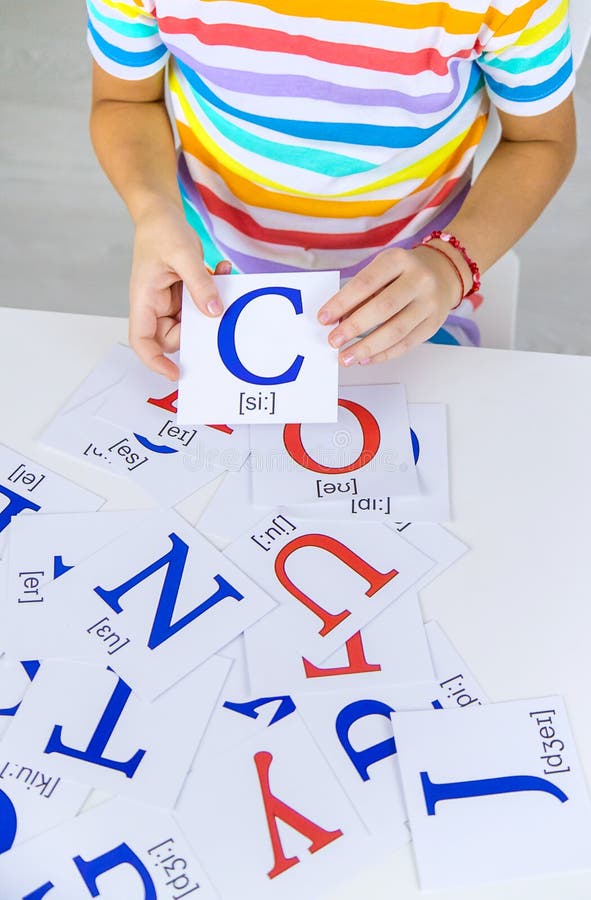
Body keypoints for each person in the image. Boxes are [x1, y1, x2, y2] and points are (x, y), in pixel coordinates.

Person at [87, 0, 576, 379]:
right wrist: (153, 209)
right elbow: (123, 99)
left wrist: (452, 263)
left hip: (419, 273)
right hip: (211, 258)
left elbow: (540, 139)